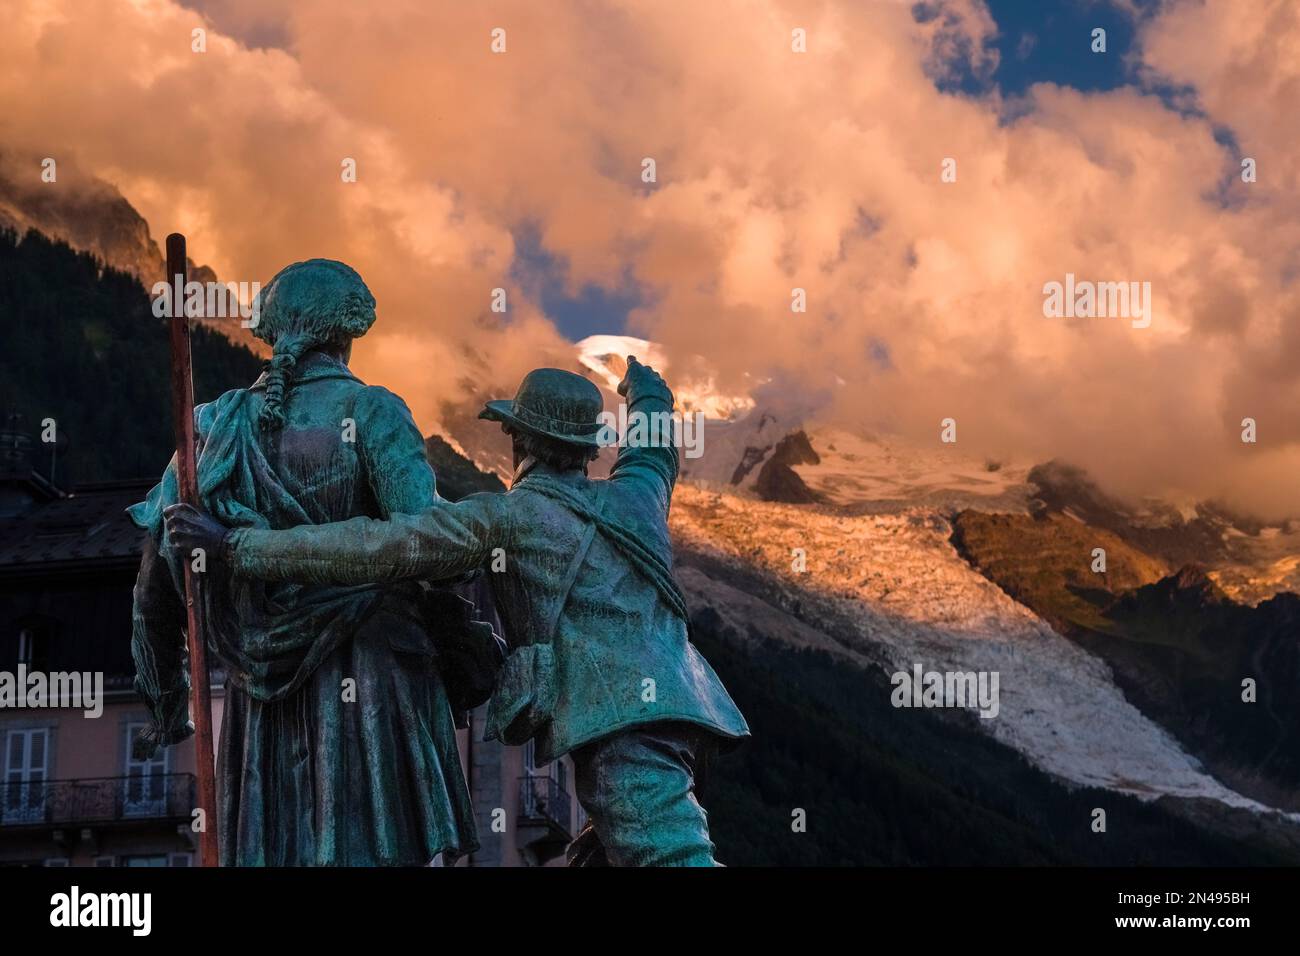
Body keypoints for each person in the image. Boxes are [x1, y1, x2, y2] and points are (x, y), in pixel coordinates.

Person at [165, 357, 750, 866]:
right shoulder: (637, 496)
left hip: (617, 721)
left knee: (671, 857)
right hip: (682, 711)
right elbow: (653, 446)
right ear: (587, 449)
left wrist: (235, 546)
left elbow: (375, 546)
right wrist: (648, 391)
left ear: (519, 442)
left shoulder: (504, 520)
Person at [130, 259, 481, 866]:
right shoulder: (373, 412)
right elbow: (427, 544)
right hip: (371, 677)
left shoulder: (212, 430)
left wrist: (169, 703)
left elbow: (154, 584)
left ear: (273, 333)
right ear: (346, 335)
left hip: (261, 704)